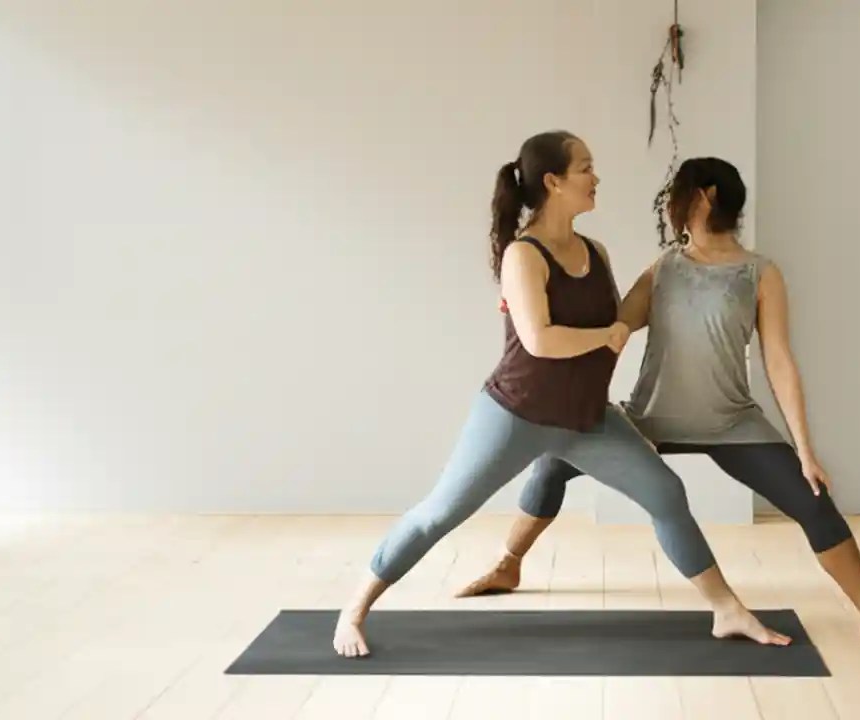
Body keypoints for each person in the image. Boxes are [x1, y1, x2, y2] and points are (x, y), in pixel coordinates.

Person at [333, 135, 791, 658]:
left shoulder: (596, 252)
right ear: (553, 182)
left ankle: (727, 610)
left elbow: (618, 320)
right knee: (440, 513)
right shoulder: (523, 255)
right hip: (516, 415)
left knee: (666, 494)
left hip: (587, 420)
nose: (596, 177)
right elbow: (540, 340)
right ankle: (354, 610)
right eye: (586, 168)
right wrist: (603, 339)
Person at [455, 157, 860, 655]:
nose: (670, 207)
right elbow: (611, 325)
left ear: (704, 198)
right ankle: (509, 564)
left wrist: (806, 451)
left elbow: (780, 361)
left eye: (677, 196)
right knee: (552, 468)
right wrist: (524, 301)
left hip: (731, 422)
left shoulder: (760, 273)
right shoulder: (665, 268)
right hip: (651, 417)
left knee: (814, 502)